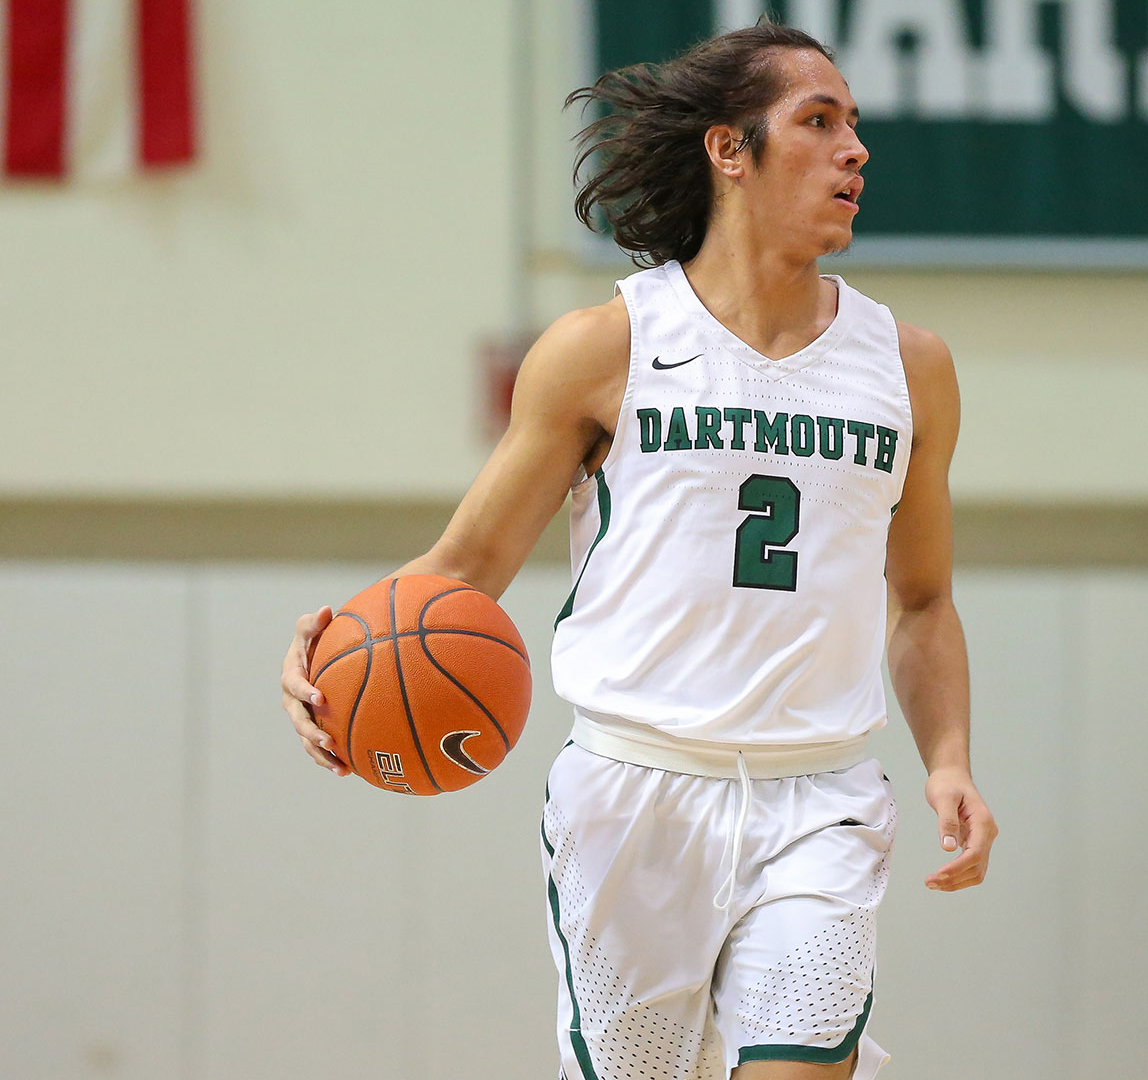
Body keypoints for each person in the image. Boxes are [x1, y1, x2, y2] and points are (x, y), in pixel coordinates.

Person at [278, 23, 996, 1080]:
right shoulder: (605, 347)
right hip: (635, 795)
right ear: (730, 151)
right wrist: (334, 640)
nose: (857, 150)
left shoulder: (911, 368)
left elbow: (924, 601)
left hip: (820, 798)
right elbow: (468, 561)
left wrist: (947, 762)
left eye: (855, 126)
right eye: (820, 121)